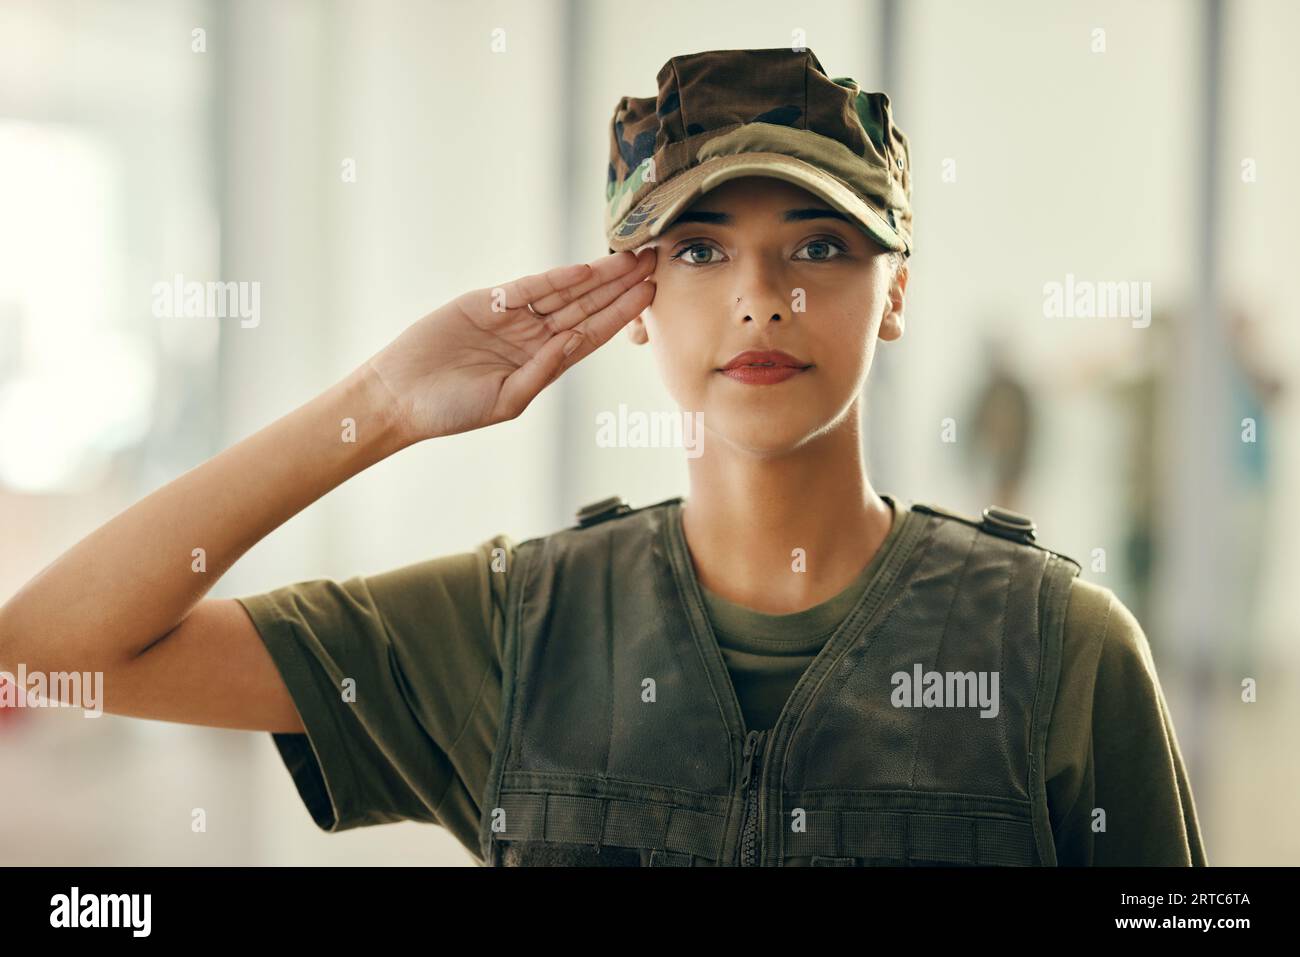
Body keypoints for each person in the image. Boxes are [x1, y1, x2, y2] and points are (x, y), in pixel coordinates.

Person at [0, 47, 1205, 867]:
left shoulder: (1058, 651)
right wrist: (383, 401)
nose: (761, 299)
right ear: (632, 296)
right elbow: (47, 655)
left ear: (896, 293)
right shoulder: (516, 630)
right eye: (695, 251)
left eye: (822, 246)